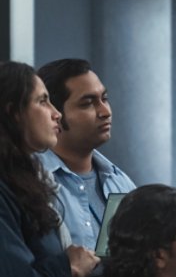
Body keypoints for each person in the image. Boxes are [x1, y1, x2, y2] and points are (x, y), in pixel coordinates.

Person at [0, 61, 99, 277]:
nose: (57, 114)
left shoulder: (26, 179)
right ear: (14, 112)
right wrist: (69, 267)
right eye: (42, 101)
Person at [36, 58, 135, 249]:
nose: (105, 111)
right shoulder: (32, 184)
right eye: (88, 103)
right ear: (54, 114)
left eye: (104, 99)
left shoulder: (120, 182)